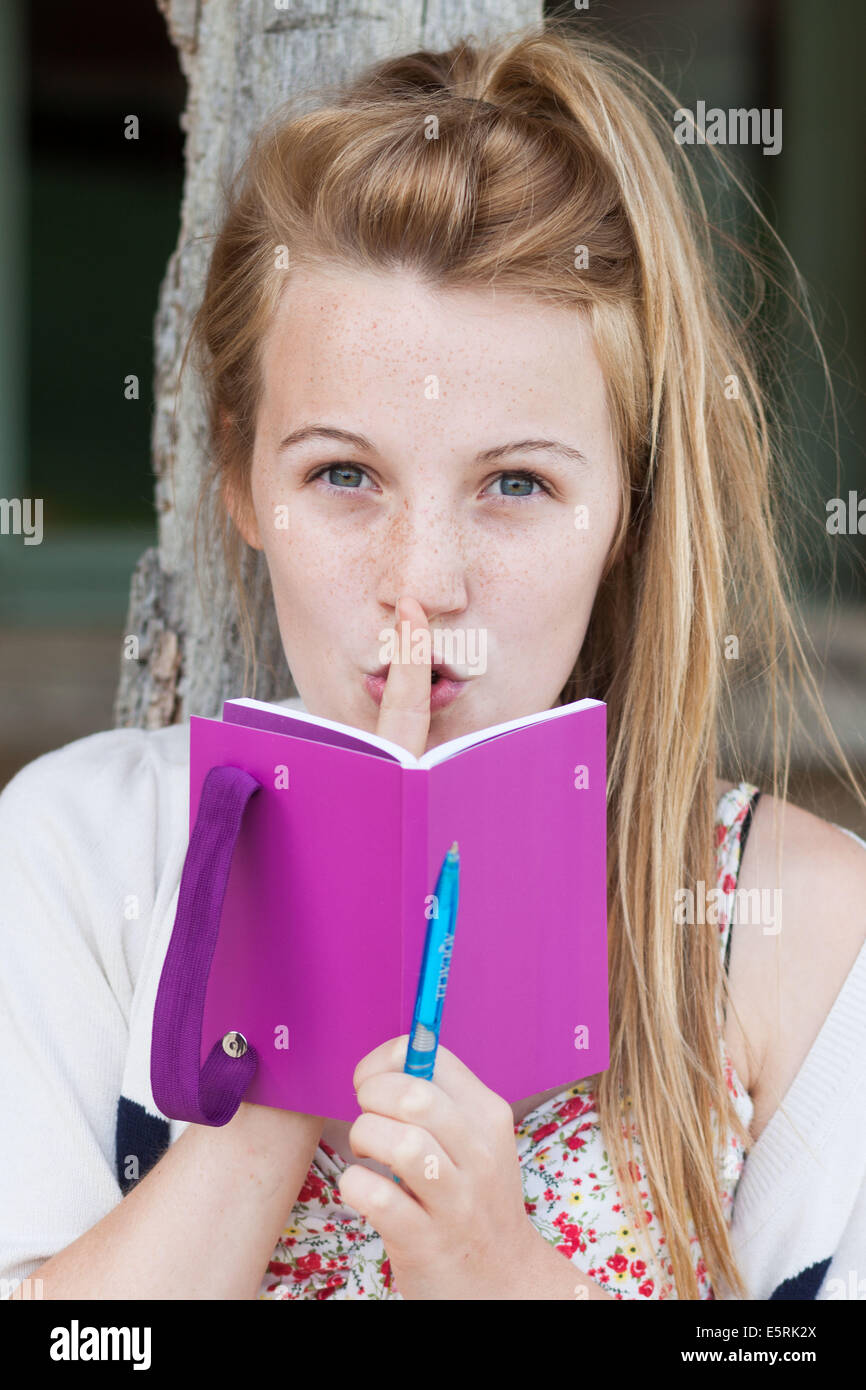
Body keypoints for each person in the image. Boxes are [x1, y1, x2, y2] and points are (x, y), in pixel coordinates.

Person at [2, 22, 865, 1302]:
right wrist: (276, 1079)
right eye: (342, 475)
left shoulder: (791, 926)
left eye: (514, 484)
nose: (424, 584)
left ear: (624, 500)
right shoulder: (81, 851)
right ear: (240, 476)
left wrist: (502, 1273)